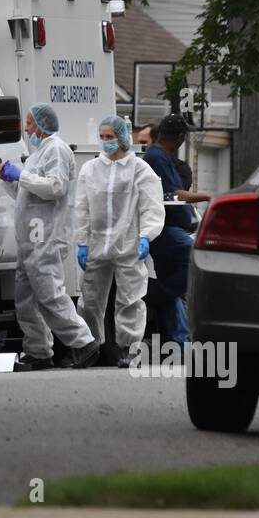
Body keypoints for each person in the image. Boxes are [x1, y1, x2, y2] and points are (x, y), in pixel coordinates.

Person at [0, 103, 99, 370]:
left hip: (46, 235)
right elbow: (26, 194)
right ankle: (39, 352)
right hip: (31, 238)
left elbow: (55, 187)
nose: (26, 128)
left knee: (50, 294)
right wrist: (9, 179)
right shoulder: (37, 153)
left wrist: (22, 174)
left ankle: (84, 343)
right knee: (25, 299)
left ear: (41, 125)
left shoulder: (56, 149)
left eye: (29, 123)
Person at [74, 116, 165, 365]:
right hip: (96, 245)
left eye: (110, 137)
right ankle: (91, 346)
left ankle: (128, 349)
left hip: (129, 244)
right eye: (102, 137)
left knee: (130, 299)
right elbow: (81, 208)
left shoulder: (140, 169)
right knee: (90, 299)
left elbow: (152, 207)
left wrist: (146, 235)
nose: (105, 142)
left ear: (123, 138)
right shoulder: (90, 169)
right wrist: (82, 241)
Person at [141, 114, 199, 345]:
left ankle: (178, 340)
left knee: (171, 285)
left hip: (174, 227)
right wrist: (211, 196)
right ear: (179, 137)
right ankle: (153, 296)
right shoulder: (157, 158)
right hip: (165, 228)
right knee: (196, 256)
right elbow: (172, 194)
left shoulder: (164, 157)